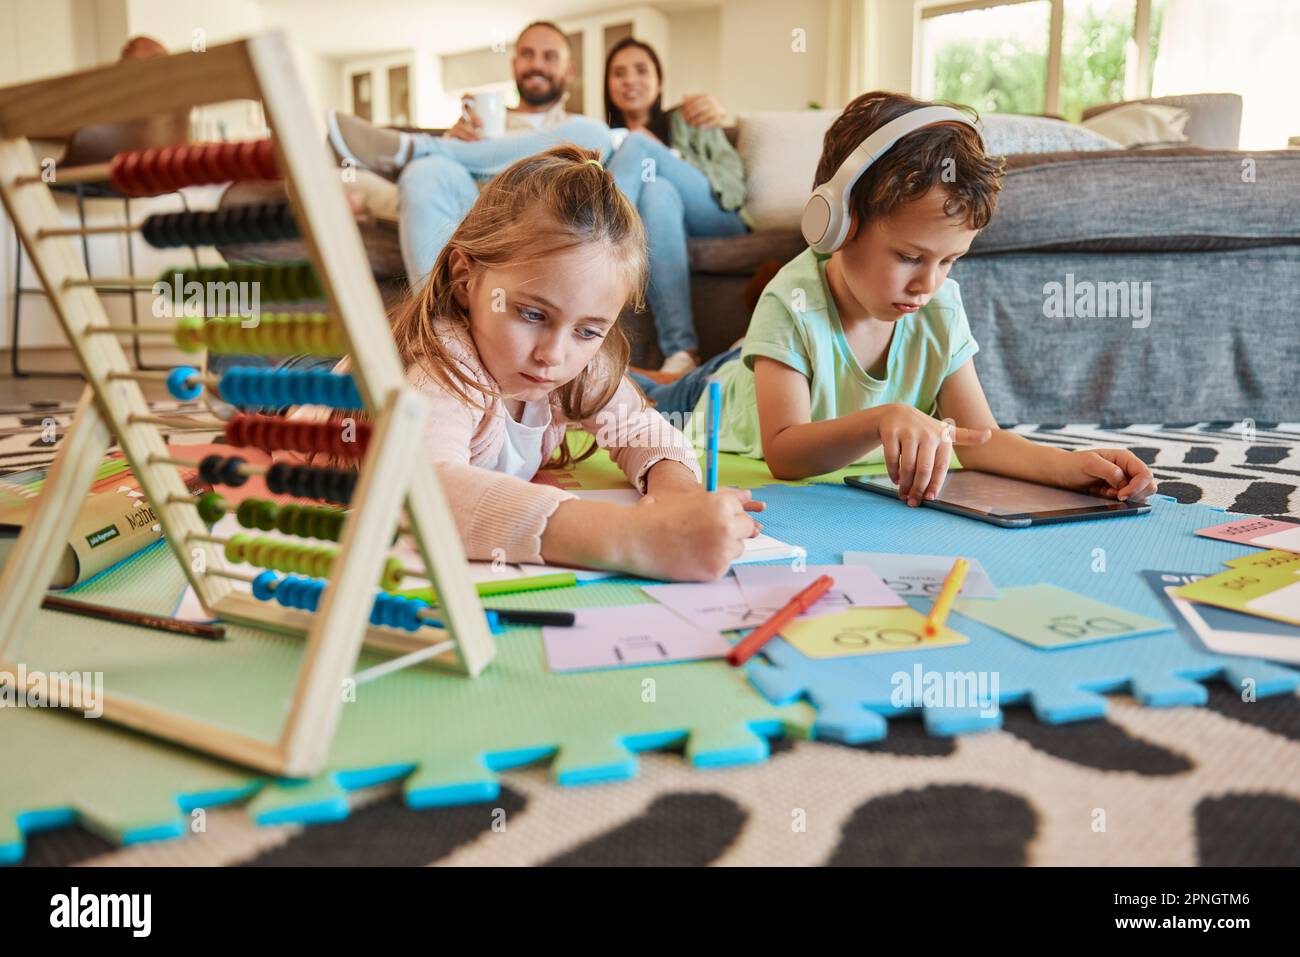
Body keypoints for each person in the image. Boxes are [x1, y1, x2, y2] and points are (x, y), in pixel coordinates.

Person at [631, 91, 1157, 506]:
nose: (928, 284)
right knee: (640, 396)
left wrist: (1074, 468)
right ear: (834, 226)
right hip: (722, 393)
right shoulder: (789, 301)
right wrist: (883, 418)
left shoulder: (940, 305)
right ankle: (658, 375)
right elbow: (786, 454)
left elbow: (980, 440)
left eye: (949, 261)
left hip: (763, 359)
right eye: (909, 256)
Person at [363, 145, 764, 580]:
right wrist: (635, 537)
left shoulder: (579, 367)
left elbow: (639, 429)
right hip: (298, 398)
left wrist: (678, 496)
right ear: (465, 279)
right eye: (532, 314)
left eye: (589, 331)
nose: (553, 355)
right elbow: (422, 492)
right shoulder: (445, 365)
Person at [326, 21, 612, 287]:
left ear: (569, 71)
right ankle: (436, 323)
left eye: (550, 57)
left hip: (523, 217)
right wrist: (457, 143)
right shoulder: (481, 125)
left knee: (597, 135)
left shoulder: (575, 129)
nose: (536, 64)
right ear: (514, 65)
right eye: (527, 54)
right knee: (425, 171)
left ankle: (416, 147)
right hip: (469, 210)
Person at [603, 37, 750, 375]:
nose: (630, 80)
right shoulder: (604, 138)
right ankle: (681, 352)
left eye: (641, 70)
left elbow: (732, 185)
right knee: (656, 191)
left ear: (660, 80)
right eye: (619, 73)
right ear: (608, 85)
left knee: (640, 145)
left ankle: (592, 231)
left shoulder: (687, 119)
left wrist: (668, 156)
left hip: (716, 214)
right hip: (658, 220)